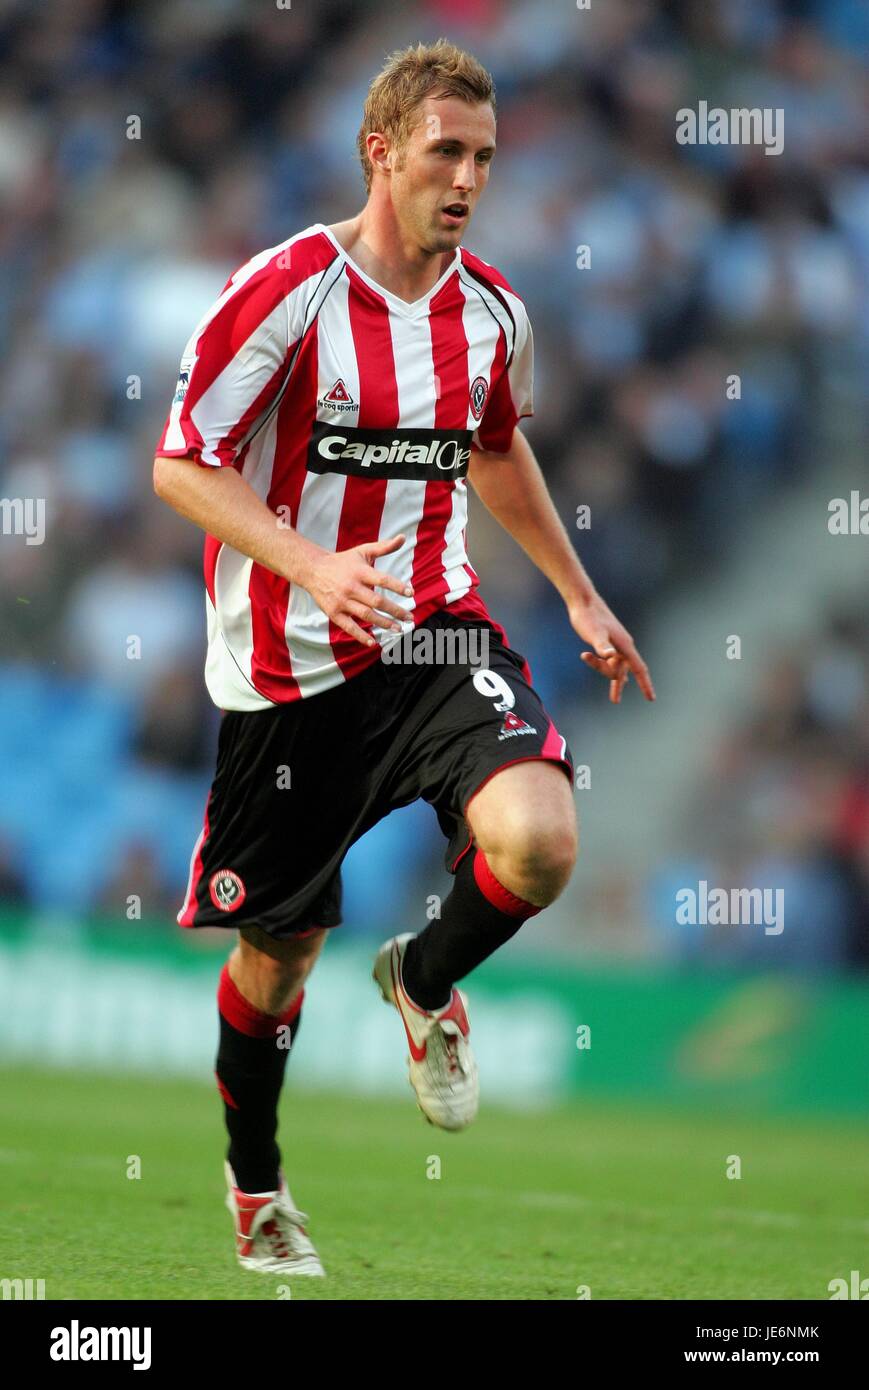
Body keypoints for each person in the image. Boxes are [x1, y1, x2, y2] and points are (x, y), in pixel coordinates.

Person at [153, 38, 654, 1278]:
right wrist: (310, 566)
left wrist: (578, 595)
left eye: (485, 155)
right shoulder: (283, 291)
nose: (468, 175)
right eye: (446, 150)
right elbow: (179, 463)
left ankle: (423, 981)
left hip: (432, 629)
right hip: (287, 670)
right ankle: (258, 1188)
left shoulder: (491, 312)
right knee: (274, 962)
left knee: (538, 839)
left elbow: (493, 451)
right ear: (380, 152)